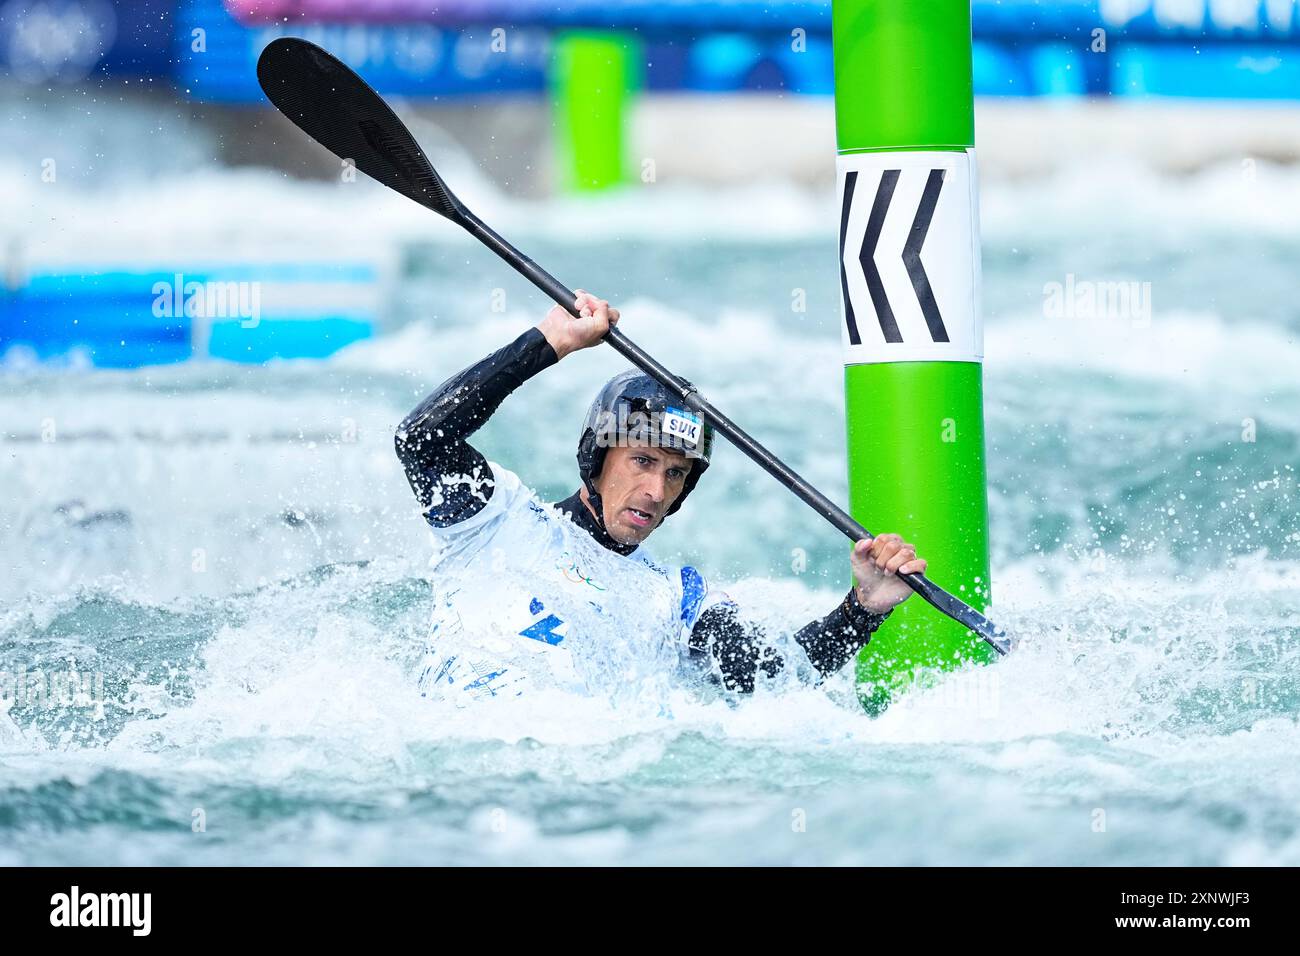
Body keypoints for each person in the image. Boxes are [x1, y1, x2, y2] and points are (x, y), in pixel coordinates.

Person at [395, 291, 927, 704]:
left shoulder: (678, 599)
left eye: (675, 475)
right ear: (597, 458)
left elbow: (768, 682)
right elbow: (419, 439)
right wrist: (550, 341)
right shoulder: (496, 519)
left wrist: (863, 609)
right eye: (643, 462)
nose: (655, 491)